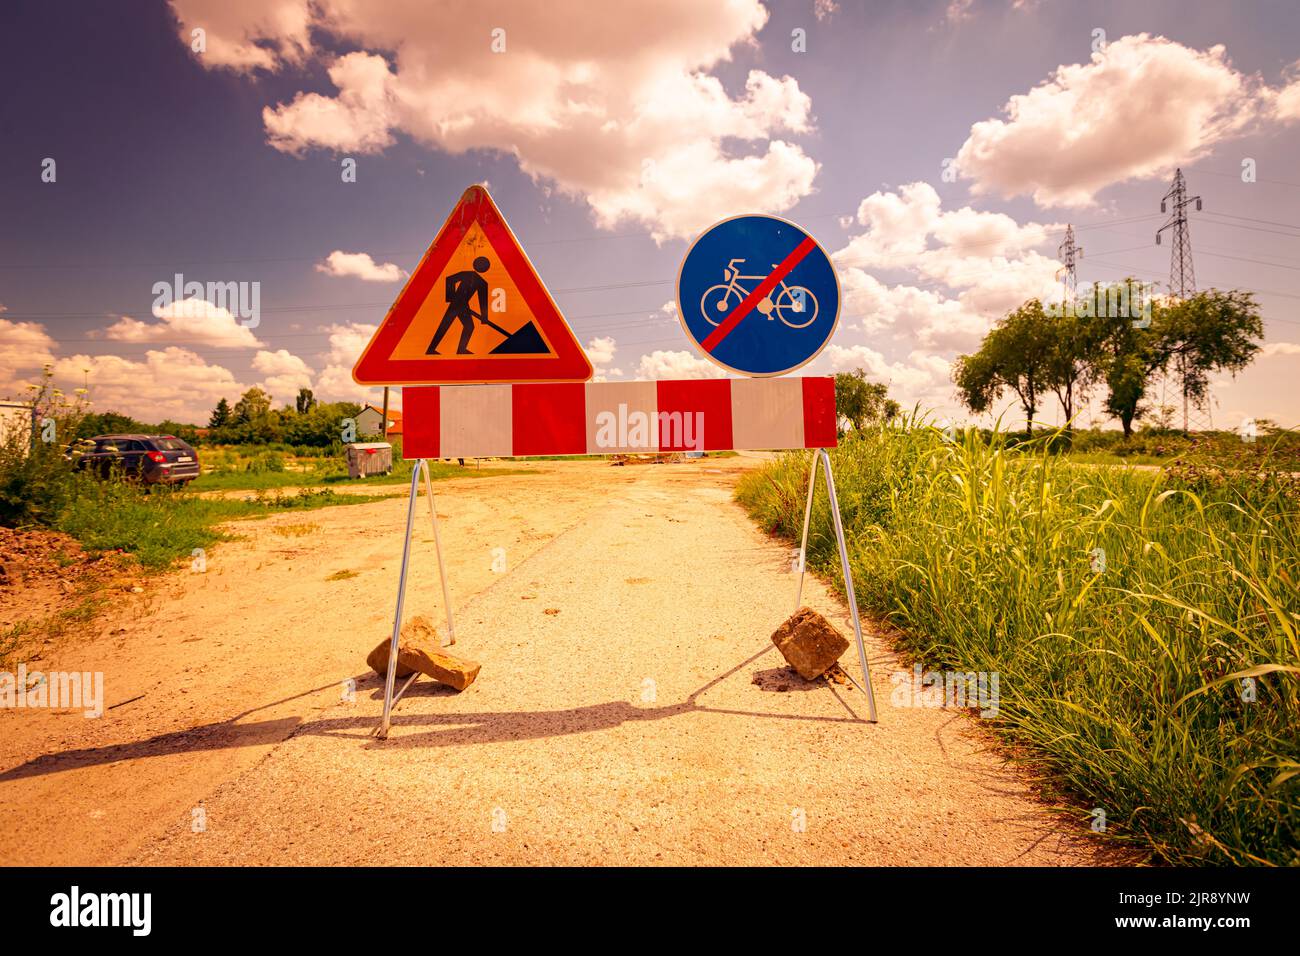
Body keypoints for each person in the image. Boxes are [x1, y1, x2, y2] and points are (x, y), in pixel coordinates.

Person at [427, 256, 491, 355]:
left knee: (464, 326)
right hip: (457, 304)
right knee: (447, 325)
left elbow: (483, 300)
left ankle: (459, 350)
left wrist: (484, 318)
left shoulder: (481, 282)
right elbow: (449, 280)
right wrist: (451, 298)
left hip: (462, 305)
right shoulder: (471, 276)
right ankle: (433, 349)